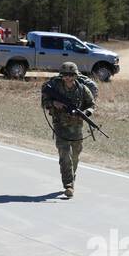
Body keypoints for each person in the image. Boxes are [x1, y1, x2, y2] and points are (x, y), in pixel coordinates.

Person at [40, 62, 96, 198]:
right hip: (60, 126)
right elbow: (44, 102)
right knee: (65, 155)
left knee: (75, 155)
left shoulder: (82, 89)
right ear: (61, 76)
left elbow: (92, 105)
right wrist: (54, 103)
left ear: (76, 76)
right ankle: (69, 185)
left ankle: (71, 176)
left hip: (77, 127)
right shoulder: (54, 88)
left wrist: (85, 113)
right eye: (65, 75)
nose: (68, 78)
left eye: (71, 75)